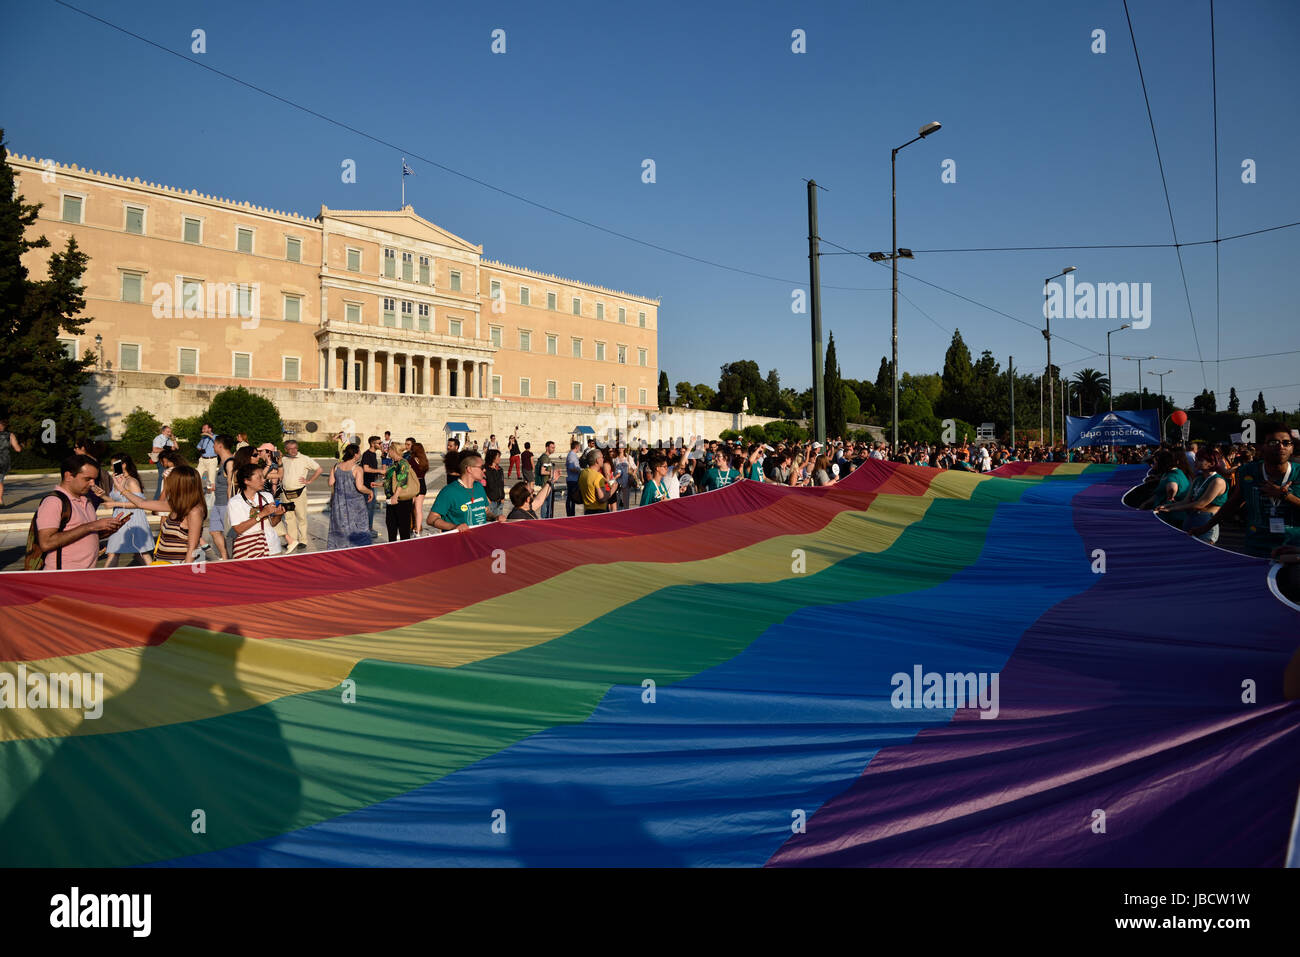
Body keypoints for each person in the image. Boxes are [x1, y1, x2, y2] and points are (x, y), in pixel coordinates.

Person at [1198, 423, 1299, 556]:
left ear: (1292, 448)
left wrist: (1286, 496)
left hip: (1292, 548)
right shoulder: (1247, 471)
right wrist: (1205, 527)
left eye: (1286, 443)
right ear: (1261, 447)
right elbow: (1234, 503)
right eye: (1273, 442)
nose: (1281, 446)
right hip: (1257, 547)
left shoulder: (1298, 473)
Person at [31, 454, 128, 570]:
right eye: (87, 479)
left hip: (84, 574)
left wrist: (107, 530)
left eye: (94, 479)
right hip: (62, 576)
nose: (92, 484)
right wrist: (92, 526)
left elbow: (82, 533)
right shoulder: (54, 502)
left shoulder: (86, 501)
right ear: (68, 476)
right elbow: (46, 543)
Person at [116, 464, 208, 564]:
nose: (168, 483)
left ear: (180, 484)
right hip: (165, 564)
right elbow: (141, 503)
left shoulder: (194, 511)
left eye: (171, 480)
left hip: (179, 565)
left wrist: (184, 570)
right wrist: (122, 490)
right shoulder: (175, 505)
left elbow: (193, 546)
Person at [1157, 445, 1228, 543]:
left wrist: (1171, 508)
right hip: (1190, 519)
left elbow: (1200, 504)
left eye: (1200, 460)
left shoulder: (1218, 481)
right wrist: (1167, 506)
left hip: (1205, 522)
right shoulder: (1198, 479)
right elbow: (1186, 500)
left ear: (1211, 463)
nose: (1195, 462)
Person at [428, 451, 505, 530]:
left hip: (478, 538)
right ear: (469, 469)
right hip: (458, 540)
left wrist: (496, 518)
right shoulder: (449, 491)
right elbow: (431, 519)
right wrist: (454, 527)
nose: (484, 470)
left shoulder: (479, 487)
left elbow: (485, 511)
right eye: (482, 467)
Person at [226, 461, 285, 559]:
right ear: (246, 481)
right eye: (259, 478)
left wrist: (279, 514)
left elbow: (272, 523)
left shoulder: (267, 496)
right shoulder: (235, 502)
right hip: (249, 549)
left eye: (263, 477)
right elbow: (239, 529)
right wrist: (261, 514)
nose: (264, 480)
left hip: (272, 547)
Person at [104, 453, 154, 566]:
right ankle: (106, 578)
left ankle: (155, 574)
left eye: (114, 465)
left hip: (133, 519)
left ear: (124, 465)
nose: (111, 468)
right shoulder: (117, 480)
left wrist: (114, 504)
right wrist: (102, 495)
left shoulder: (132, 481)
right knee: (113, 551)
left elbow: (140, 504)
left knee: (141, 552)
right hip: (119, 518)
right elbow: (114, 500)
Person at [328, 443, 374, 550]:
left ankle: (340, 549)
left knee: (340, 528)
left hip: (339, 503)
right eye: (359, 452)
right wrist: (369, 491)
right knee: (358, 527)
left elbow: (330, 482)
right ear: (355, 455)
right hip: (355, 504)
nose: (360, 454)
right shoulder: (357, 469)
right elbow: (360, 487)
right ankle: (358, 550)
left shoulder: (336, 466)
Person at [278, 439, 321, 553]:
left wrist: (309, 480)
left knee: (301, 517)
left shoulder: (304, 459)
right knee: (288, 517)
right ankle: (292, 540)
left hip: (299, 492)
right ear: (286, 449)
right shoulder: (283, 459)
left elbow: (319, 469)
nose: (293, 450)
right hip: (285, 492)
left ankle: (303, 540)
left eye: (295, 448)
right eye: (290, 448)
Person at [206, 434, 235, 560]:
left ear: (220, 446)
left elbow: (231, 484)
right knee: (214, 530)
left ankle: (234, 556)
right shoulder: (222, 462)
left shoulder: (230, 462)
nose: (213, 447)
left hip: (225, 503)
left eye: (214, 444)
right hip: (218, 502)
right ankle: (225, 557)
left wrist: (230, 504)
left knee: (230, 534)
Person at [383, 448, 420, 541]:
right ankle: (392, 549)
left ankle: (404, 551)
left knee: (404, 529)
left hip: (401, 500)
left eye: (389, 450)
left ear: (394, 451)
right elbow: (393, 481)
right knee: (391, 526)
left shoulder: (403, 463)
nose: (388, 452)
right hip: (392, 499)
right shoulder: (395, 463)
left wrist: (395, 496)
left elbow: (402, 480)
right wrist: (380, 484)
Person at [579, 449, 619, 514]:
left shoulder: (583, 473)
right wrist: (613, 490)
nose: (603, 459)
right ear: (597, 460)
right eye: (602, 457)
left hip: (587, 510)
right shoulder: (598, 476)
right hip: (598, 511)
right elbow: (602, 498)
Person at [360, 436, 385, 537]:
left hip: (372, 483)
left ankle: (369, 528)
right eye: (379, 443)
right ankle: (367, 530)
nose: (381, 445)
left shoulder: (374, 454)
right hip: (367, 485)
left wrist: (378, 474)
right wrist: (379, 471)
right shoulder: (367, 454)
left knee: (370, 507)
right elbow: (365, 469)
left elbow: (371, 469)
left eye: (381, 443)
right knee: (368, 508)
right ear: (372, 444)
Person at [150, 424, 177, 497]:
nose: (169, 433)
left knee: (169, 478)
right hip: (161, 461)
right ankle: (157, 499)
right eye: (168, 432)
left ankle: (167, 497)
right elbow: (155, 449)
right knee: (162, 479)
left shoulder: (168, 439)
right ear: (163, 431)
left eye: (170, 432)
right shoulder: (158, 438)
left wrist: (174, 440)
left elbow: (176, 448)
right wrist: (166, 449)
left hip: (168, 461)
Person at [409, 442, 430, 534]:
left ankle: (410, 527)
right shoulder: (425, 460)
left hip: (414, 484)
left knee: (410, 507)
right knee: (419, 509)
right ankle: (417, 529)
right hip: (422, 484)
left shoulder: (411, 460)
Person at [0, 417, 22, 507]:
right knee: (0, 480)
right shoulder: (10, 435)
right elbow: (18, 449)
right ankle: (0, 501)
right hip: (4, 460)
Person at [535, 441, 557, 518]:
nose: (553, 449)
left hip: (546, 484)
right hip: (546, 485)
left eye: (554, 447)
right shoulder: (545, 458)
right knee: (545, 504)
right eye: (552, 447)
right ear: (547, 447)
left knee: (546, 504)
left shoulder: (545, 457)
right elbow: (542, 471)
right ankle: (545, 519)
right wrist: (552, 473)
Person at [483, 448, 507, 518]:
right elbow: (482, 487)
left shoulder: (500, 470)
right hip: (490, 502)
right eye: (498, 457)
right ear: (492, 458)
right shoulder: (485, 470)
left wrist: (502, 497)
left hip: (500, 502)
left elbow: (501, 484)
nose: (500, 458)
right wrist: (487, 499)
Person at [196, 423, 219, 492]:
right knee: (197, 476)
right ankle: (197, 492)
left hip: (212, 459)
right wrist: (201, 450)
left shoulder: (216, 436)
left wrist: (208, 435)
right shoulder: (203, 438)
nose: (202, 430)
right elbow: (198, 446)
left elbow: (218, 443)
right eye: (202, 429)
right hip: (202, 460)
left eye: (204, 429)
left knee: (211, 479)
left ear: (210, 429)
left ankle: (210, 495)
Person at [565, 440, 583, 517]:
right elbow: (572, 468)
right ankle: (570, 514)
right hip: (572, 480)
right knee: (571, 498)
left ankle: (571, 513)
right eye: (579, 447)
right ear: (576, 447)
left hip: (573, 479)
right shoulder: (572, 455)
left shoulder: (572, 455)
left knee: (572, 498)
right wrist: (580, 471)